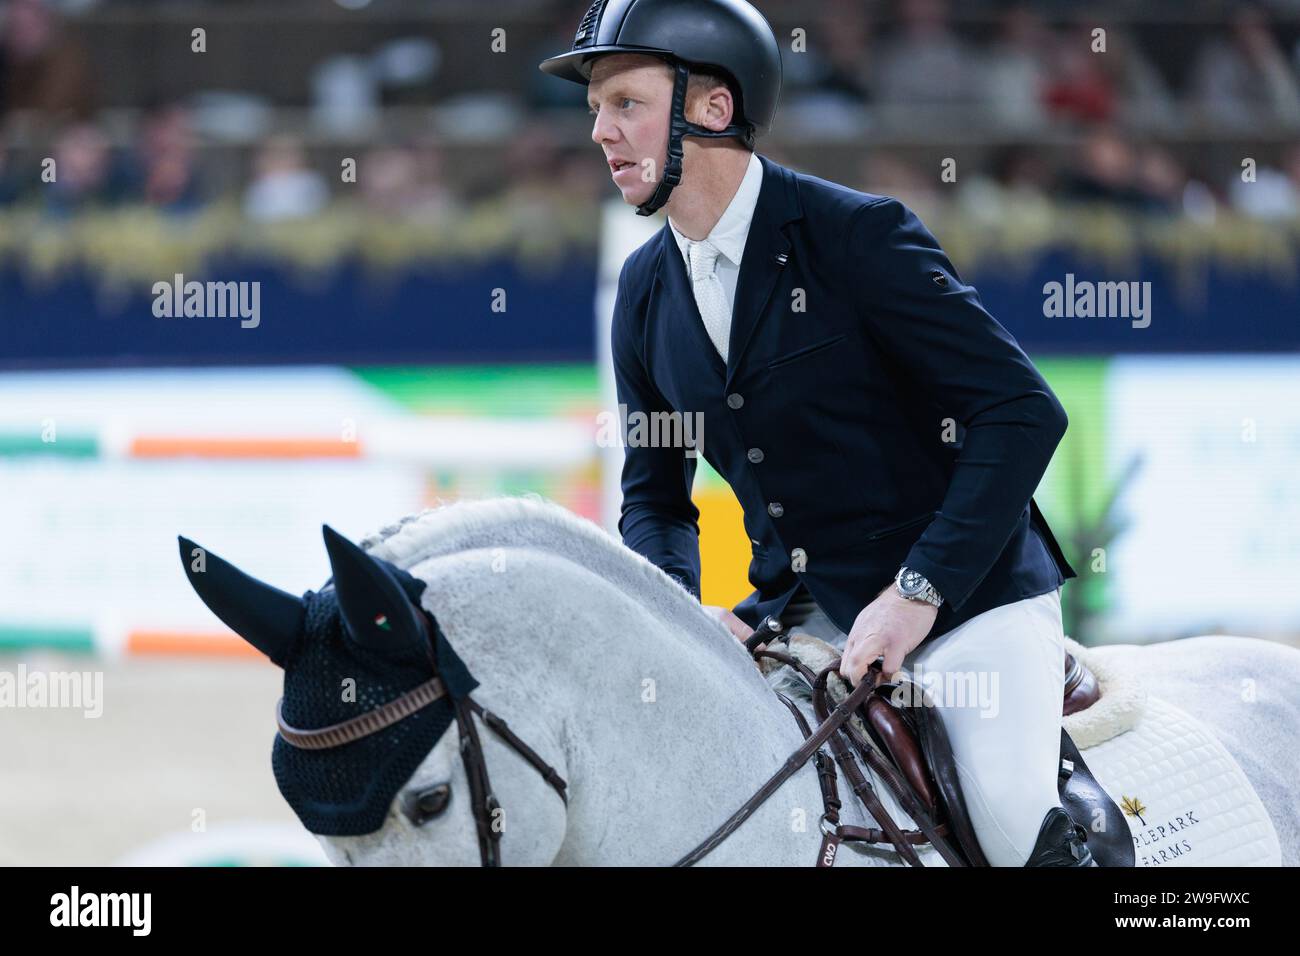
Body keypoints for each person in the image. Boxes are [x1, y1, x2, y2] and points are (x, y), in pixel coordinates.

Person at [539, 0, 1093, 867]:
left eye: (626, 104)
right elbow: (654, 497)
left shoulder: (856, 237)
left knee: (1014, 823)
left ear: (713, 109)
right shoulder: (644, 294)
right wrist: (679, 617)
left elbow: (1022, 412)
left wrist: (916, 593)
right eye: (596, 111)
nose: (602, 133)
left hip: (966, 601)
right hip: (795, 615)